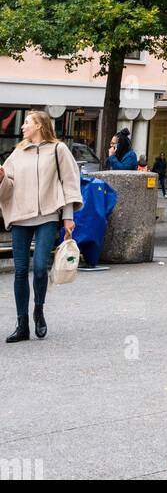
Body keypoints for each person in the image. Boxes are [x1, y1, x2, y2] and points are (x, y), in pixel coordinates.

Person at [0, 110, 82, 343]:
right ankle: (22, 323)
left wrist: (68, 215)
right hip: (20, 216)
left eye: (27, 123)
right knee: (20, 270)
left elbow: (69, 182)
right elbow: (8, 187)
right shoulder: (17, 153)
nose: (23, 127)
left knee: (39, 266)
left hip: (48, 214)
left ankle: (38, 310)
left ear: (39, 126)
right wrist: (1, 178)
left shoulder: (58, 149)